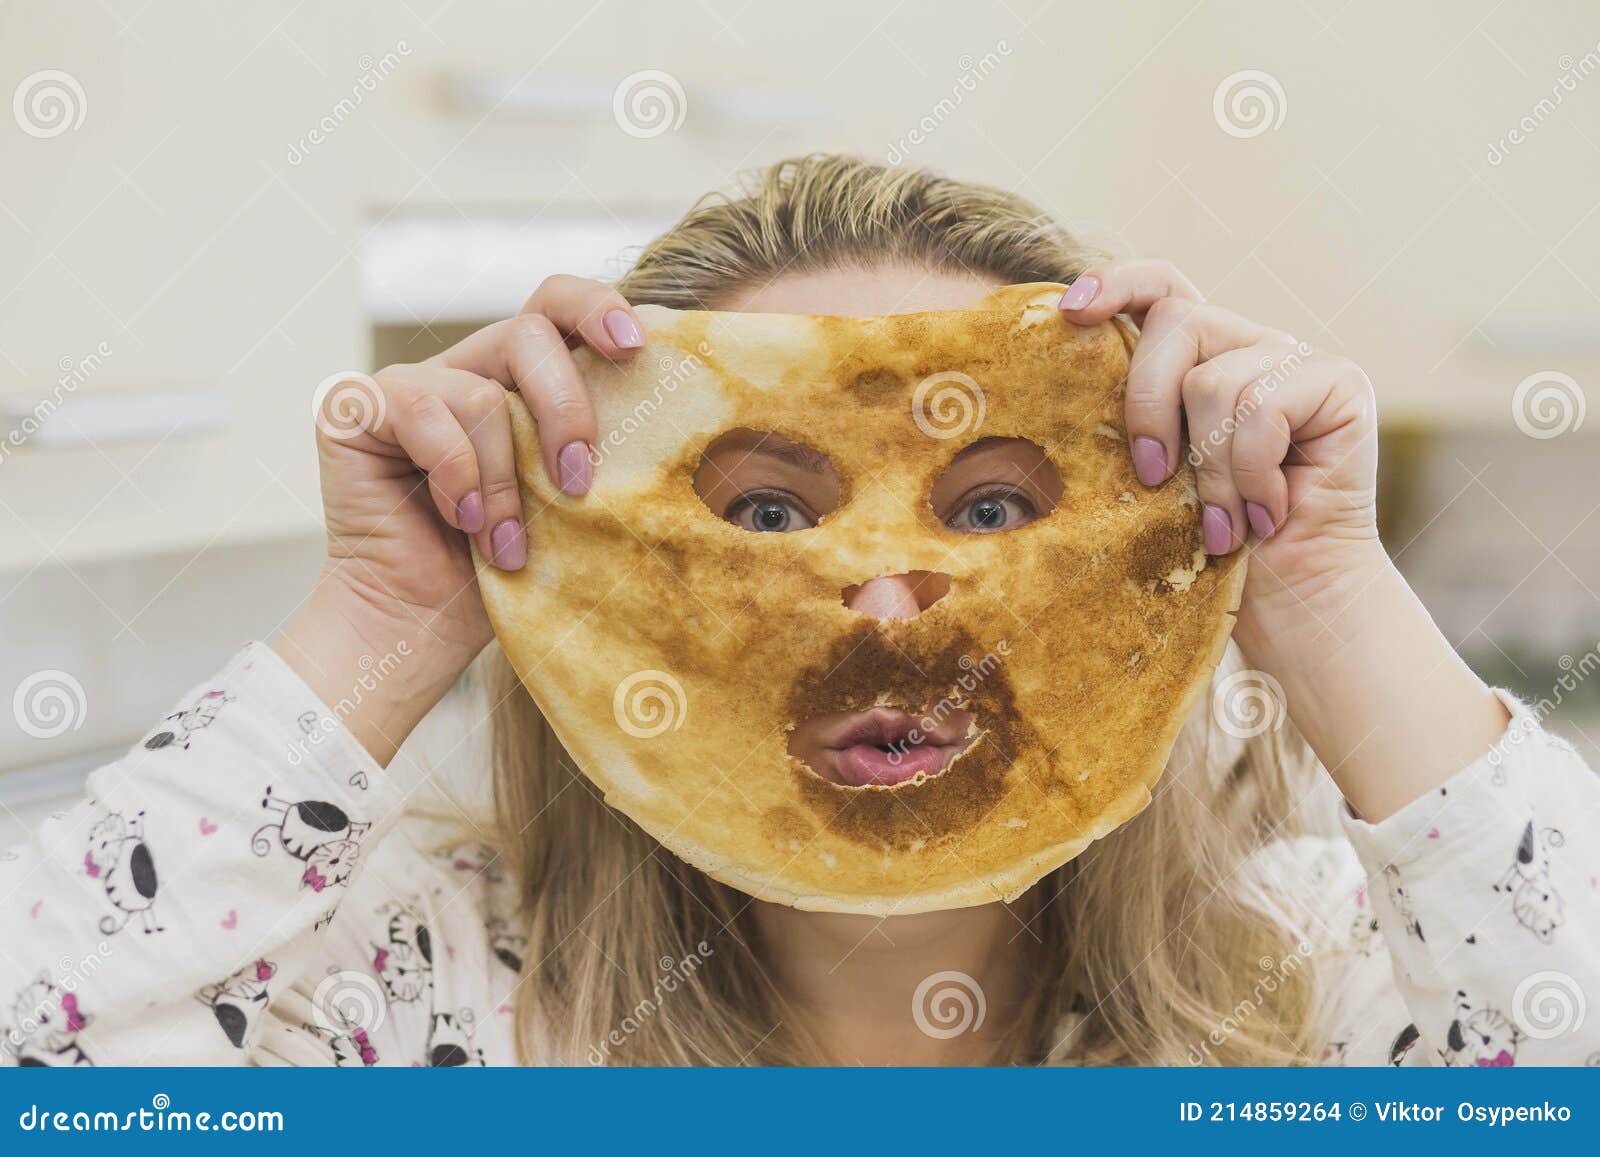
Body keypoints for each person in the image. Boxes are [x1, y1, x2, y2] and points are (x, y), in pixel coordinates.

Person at [3, 156, 1595, 1067]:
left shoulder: (1307, 976)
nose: (887, 589)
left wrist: (1322, 584)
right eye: (764, 509)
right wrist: (384, 614)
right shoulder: (419, 997)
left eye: (993, 506)